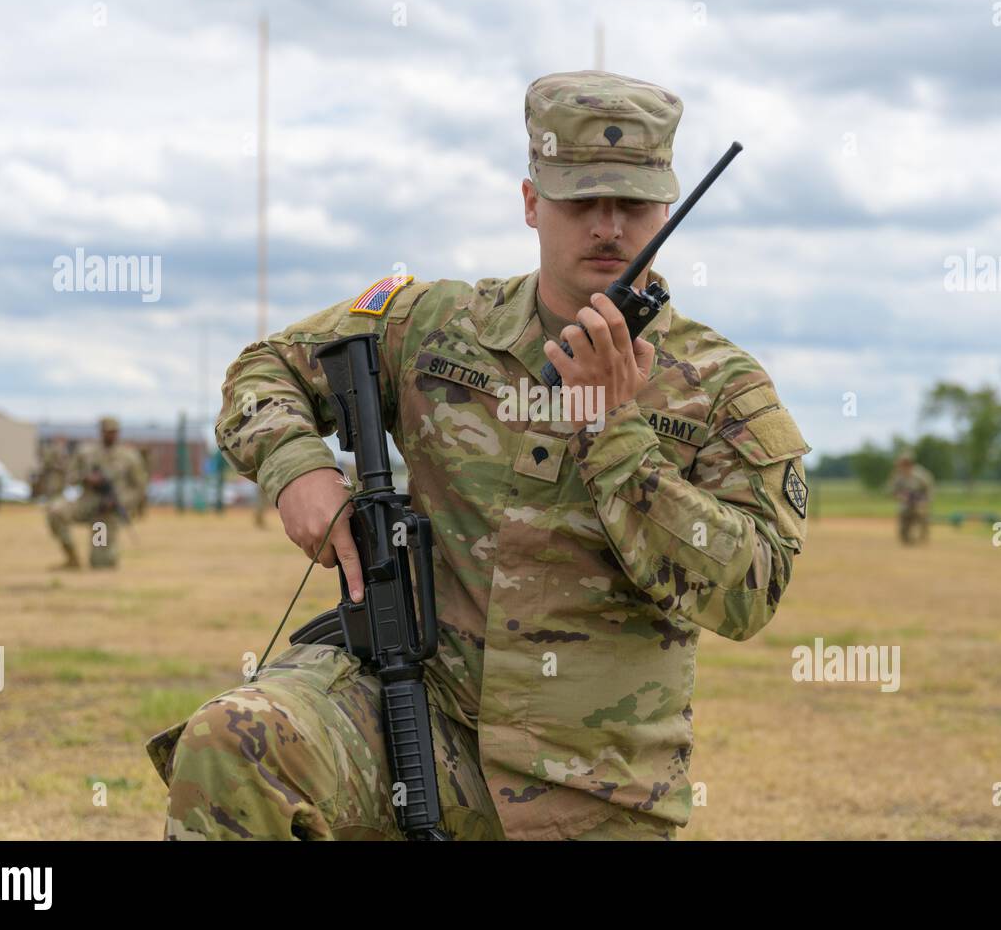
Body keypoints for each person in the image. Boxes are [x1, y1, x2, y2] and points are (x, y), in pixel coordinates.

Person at [146, 70, 811, 841]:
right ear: (532, 202)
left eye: (631, 204)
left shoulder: (723, 389)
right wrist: (299, 468)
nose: (607, 227)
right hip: (418, 727)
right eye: (579, 201)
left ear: (665, 209)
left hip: (596, 789)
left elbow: (749, 594)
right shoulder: (431, 325)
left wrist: (613, 431)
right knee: (238, 738)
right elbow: (266, 371)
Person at [45, 416, 147, 569]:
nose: (109, 435)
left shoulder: (129, 457)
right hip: (86, 501)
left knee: (101, 563)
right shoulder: (86, 452)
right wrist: (86, 478)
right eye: (106, 431)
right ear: (101, 432)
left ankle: (102, 556)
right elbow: (71, 476)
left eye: (113, 432)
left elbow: (139, 487)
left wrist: (119, 502)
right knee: (56, 511)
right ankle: (72, 559)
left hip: (105, 511)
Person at [889, 451, 935, 545]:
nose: (903, 465)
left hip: (920, 500)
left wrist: (925, 501)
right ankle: (908, 537)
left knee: (921, 514)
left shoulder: (921, 474)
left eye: (906, 463)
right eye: (902, 463)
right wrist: (901, 496)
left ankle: (923, 536)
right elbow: (893, 491)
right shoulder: (897, 476)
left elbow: (929, 488)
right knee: (904, 532)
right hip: (906, 502)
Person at [31, 435, 72, 500]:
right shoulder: (53, 449)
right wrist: (57, 466)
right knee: (53, 491)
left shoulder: (63, 450)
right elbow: (47, 462)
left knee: (59, 492)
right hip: (54, 475)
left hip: (61, 476)